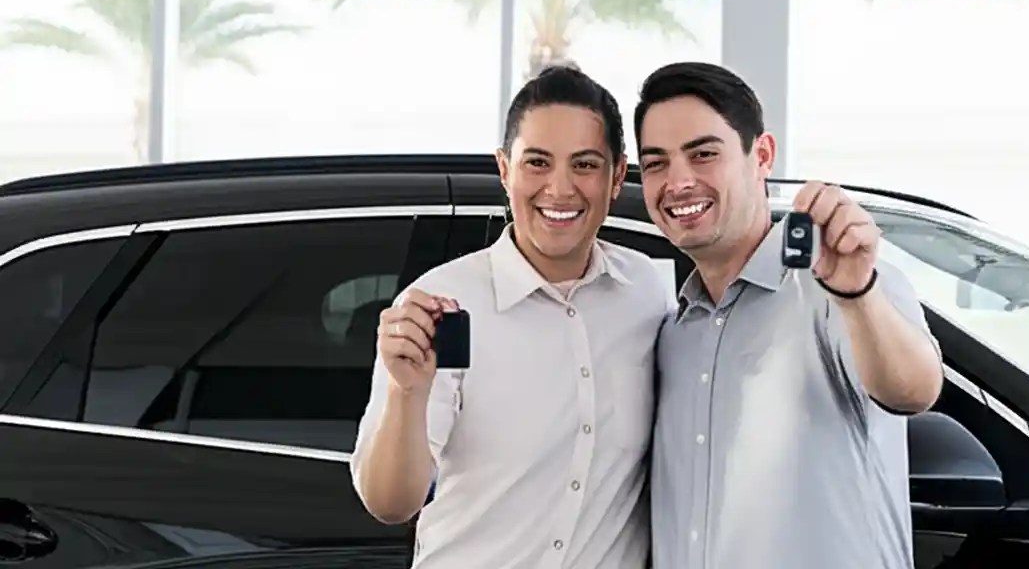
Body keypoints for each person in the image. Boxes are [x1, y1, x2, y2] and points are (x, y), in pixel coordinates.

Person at [350, 65, 673, 568]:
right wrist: (405, 393)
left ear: (616, 177)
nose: (560, 188)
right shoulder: (443, 302)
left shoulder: (649, 293)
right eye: (537, 163)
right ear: (505, 170)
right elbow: (390, 504)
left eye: (585, 165)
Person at [633, 61, 945, 568]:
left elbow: (914, 390)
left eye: (703, 154)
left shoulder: (836, 284)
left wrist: (858, 294)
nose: (678, 182)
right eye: (656, 164)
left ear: (762, 155)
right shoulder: (672, 332)